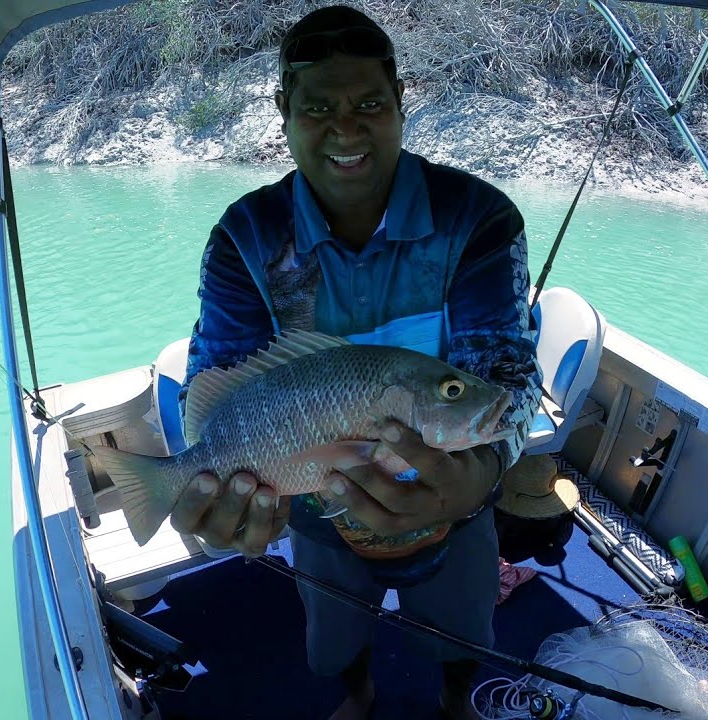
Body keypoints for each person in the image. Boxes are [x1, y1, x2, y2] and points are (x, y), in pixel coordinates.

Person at [169, 6, 543, 719]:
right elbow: (217, 384)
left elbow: (506, 375)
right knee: (334, 634)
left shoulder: (478, 216)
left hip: (459, 517)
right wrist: (225, 495)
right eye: (318, 108)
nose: (346, 129)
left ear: (401, 100)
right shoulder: (244, 237)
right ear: (283, 111)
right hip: (313, 509)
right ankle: (359, 695)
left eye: (370, 102)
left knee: (464, 630)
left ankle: (457, 701)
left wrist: (481, 475)